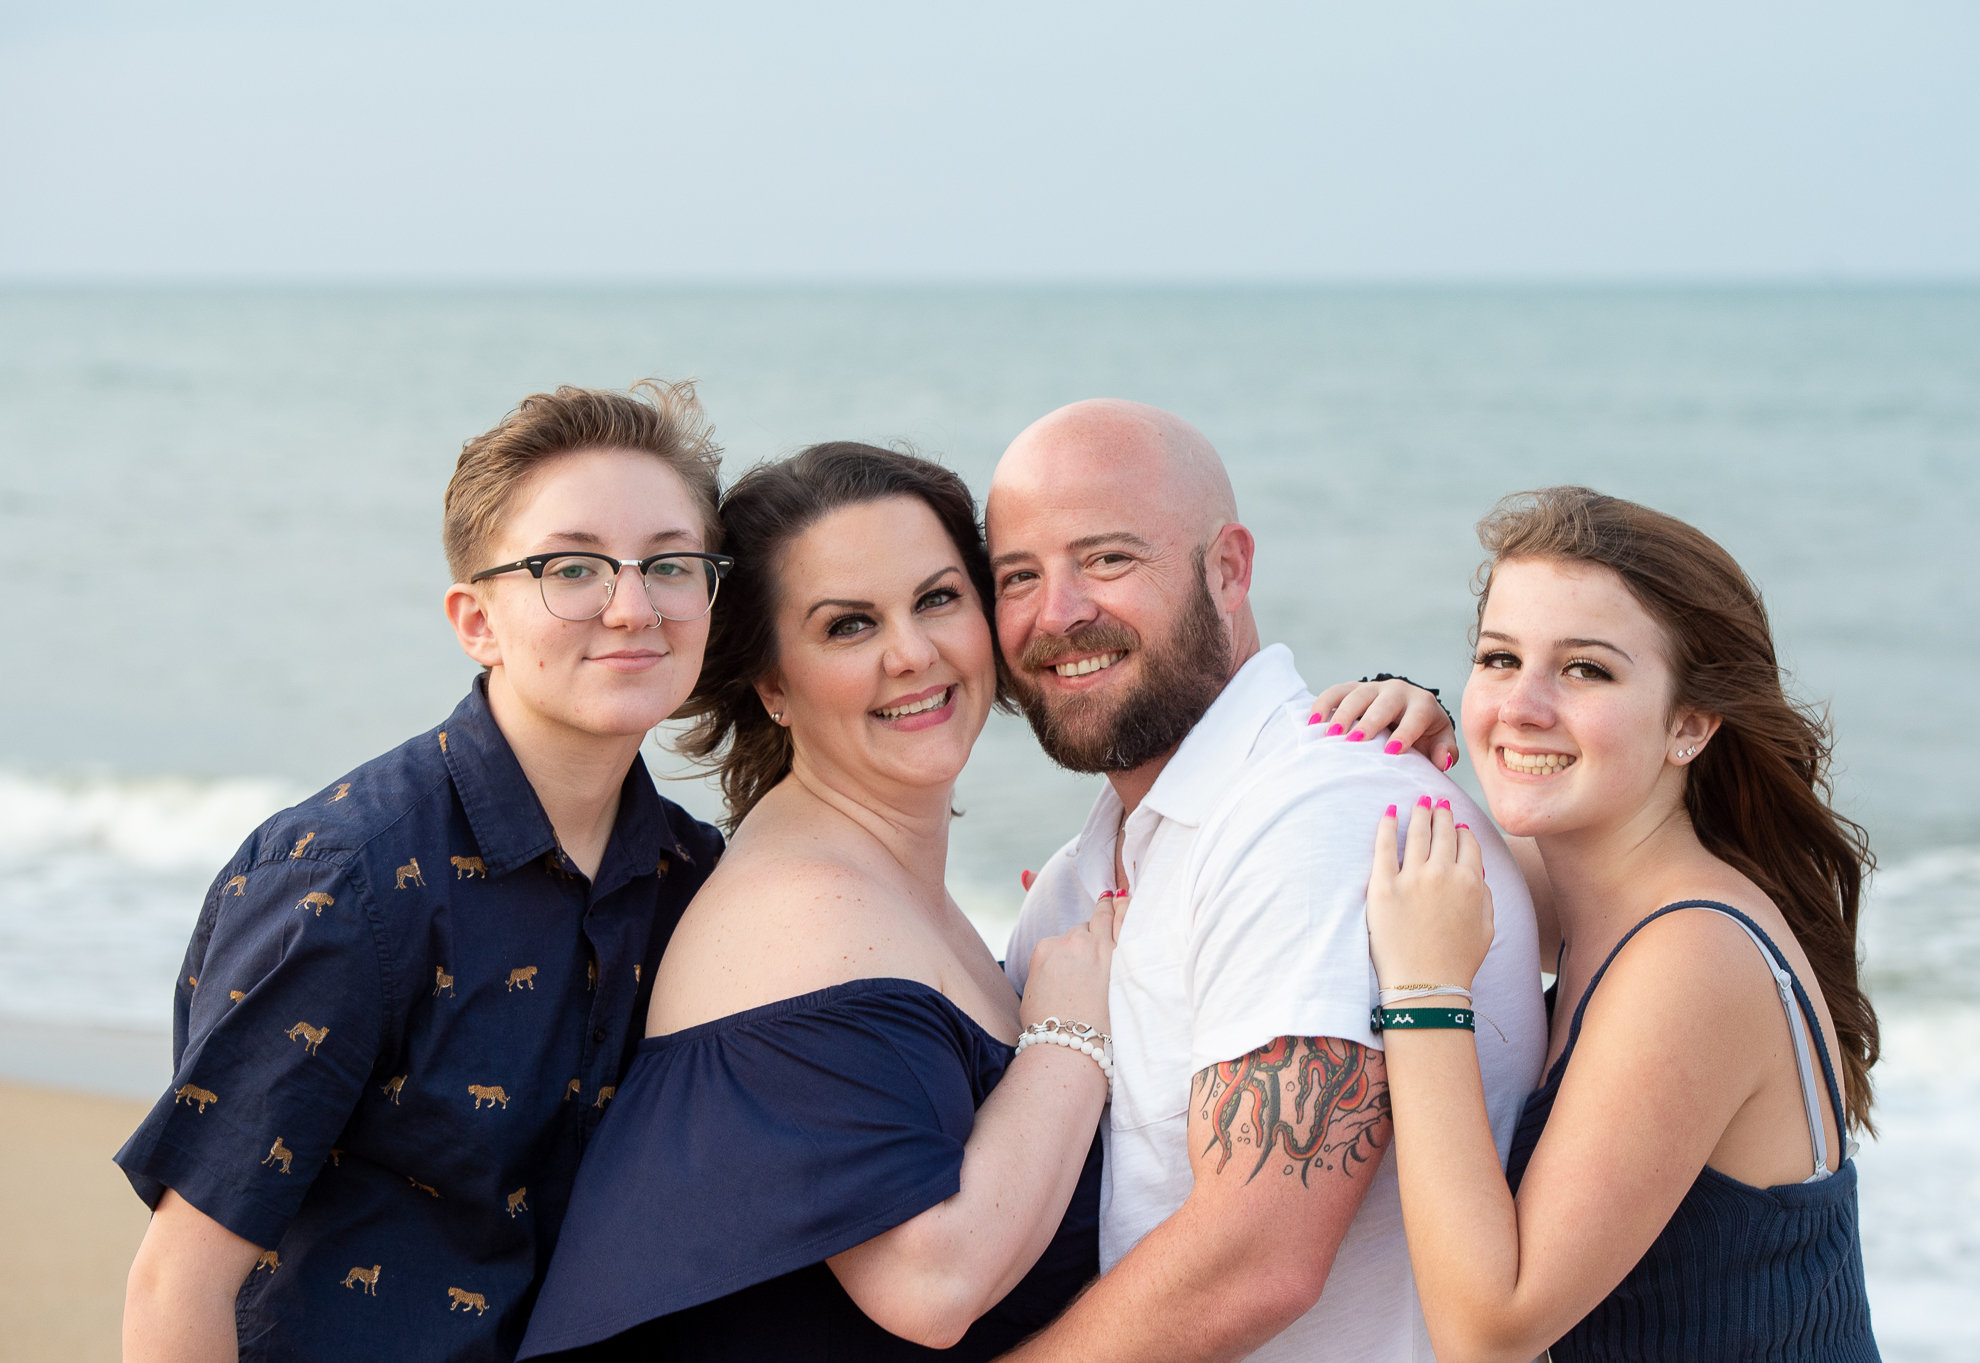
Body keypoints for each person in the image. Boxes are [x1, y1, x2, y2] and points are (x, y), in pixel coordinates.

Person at [516, 442, 1458, 1361]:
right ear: (774, 686)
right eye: (849, 625)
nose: (912, 654)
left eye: (938, 599)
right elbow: (930, 1284)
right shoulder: (801, 914)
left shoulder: (935, 891)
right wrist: (1067, 1039)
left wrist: (1342, 731)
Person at [117, 382, 730, 1363]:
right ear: (475, 620)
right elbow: (173, 1288)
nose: (631, 605)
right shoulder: (342, 882)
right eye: (570, 568)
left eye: (668, 563)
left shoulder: (696, 878)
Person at [990, 400, 1547, 1363]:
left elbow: (1258, 1260)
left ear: (1229, 569)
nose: (1060, 611)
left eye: (1109, 559)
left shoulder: (1314, 812)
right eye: (1018, 577)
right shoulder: (1091, 874)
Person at [1362, 486, 1881, 1362]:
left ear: (1689, 724)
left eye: (1586, 669)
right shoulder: (1591, 887)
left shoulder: (1693, 957)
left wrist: (1425, 993)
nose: (1522, 705)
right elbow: (1439, 860)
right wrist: (1381, 733)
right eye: (1497, 659)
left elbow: (1489, 1331)